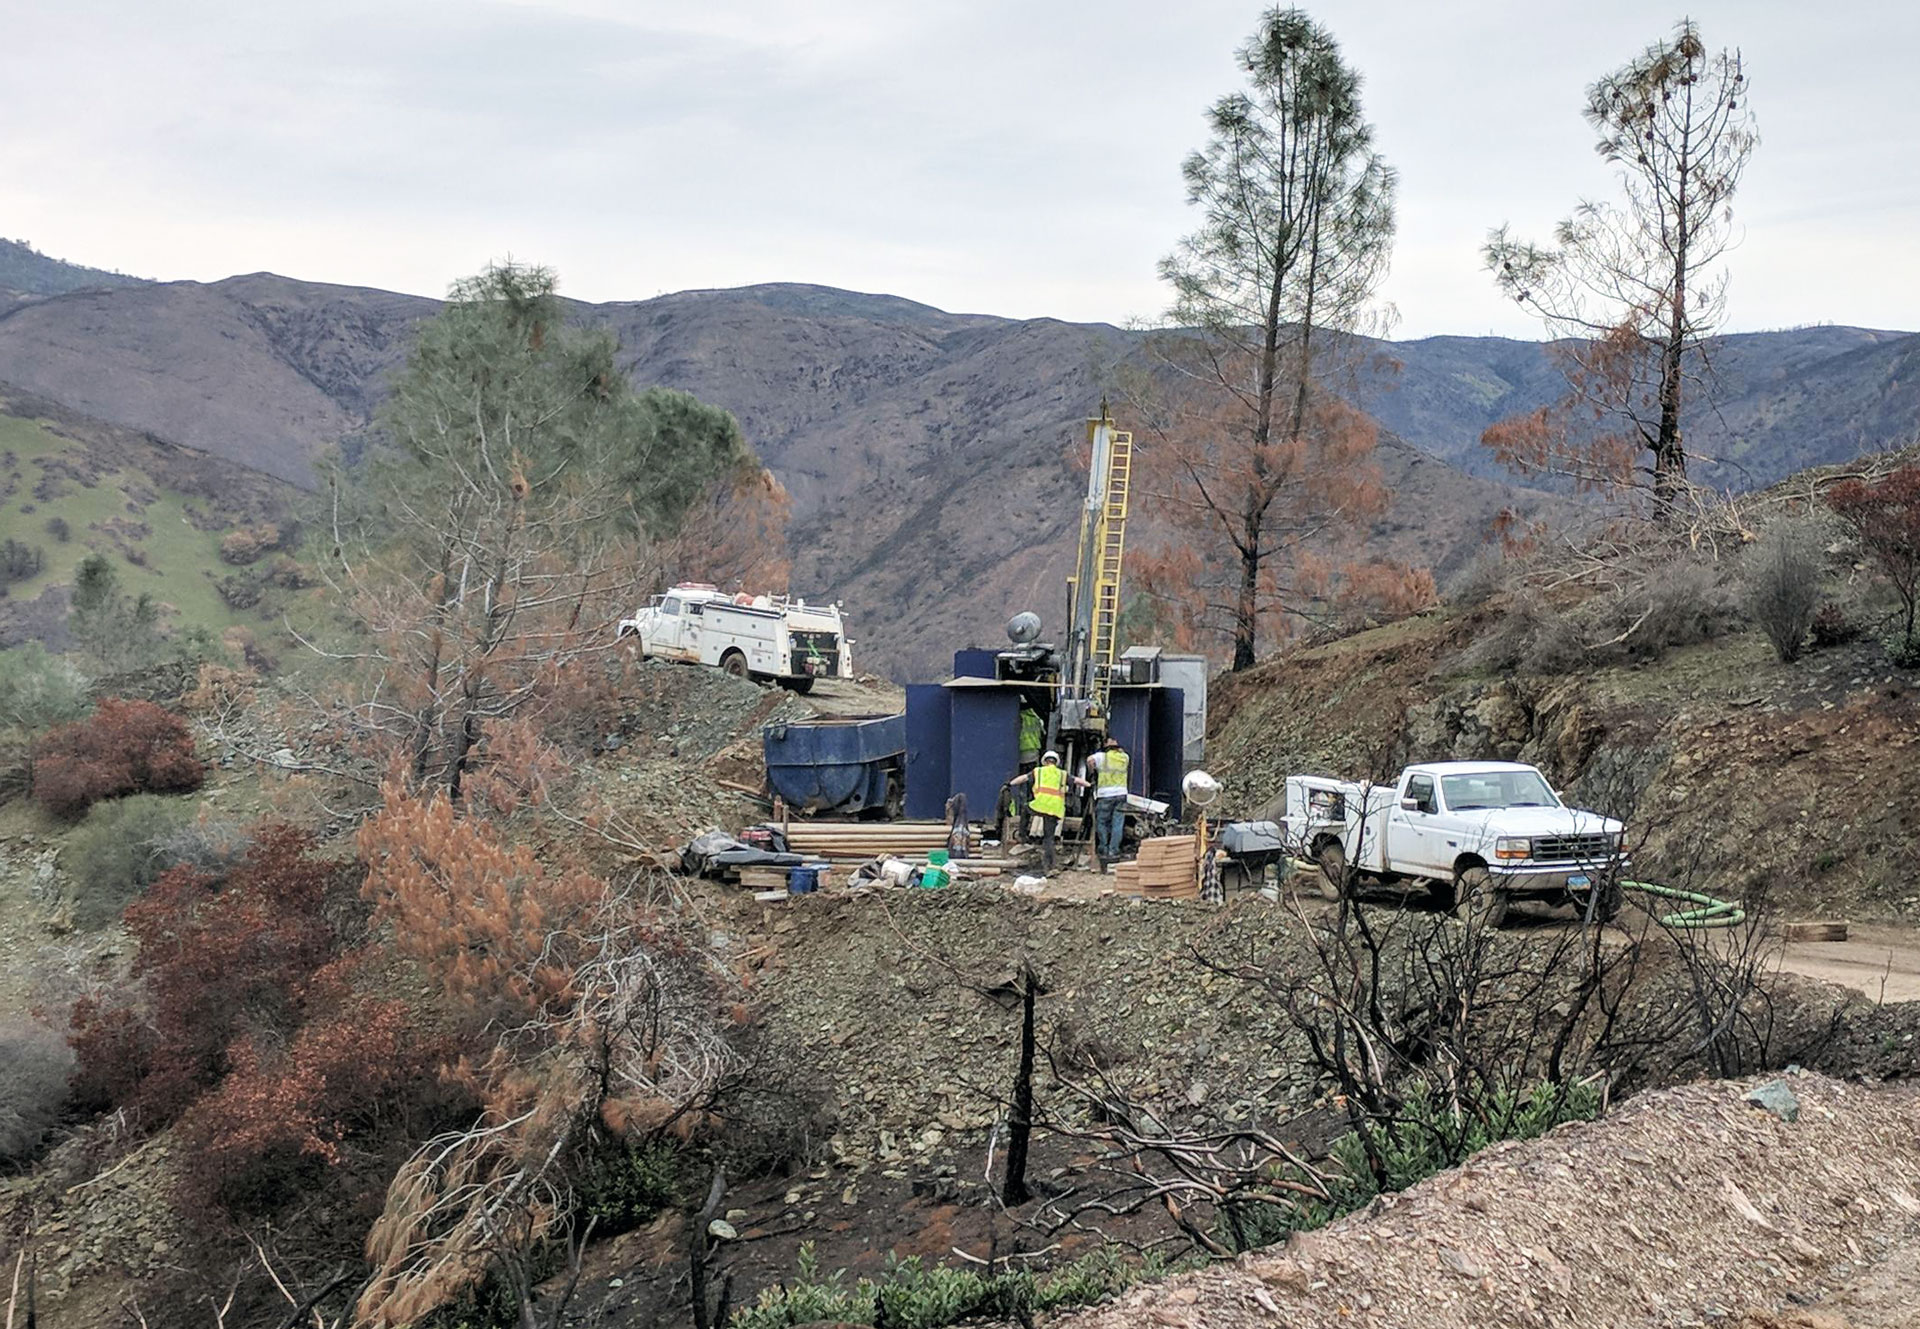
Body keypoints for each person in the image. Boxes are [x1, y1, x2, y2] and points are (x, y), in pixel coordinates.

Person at [1006, 751, 1085, 874]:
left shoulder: (1038, 771)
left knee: (1025, 809)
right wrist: (1090, 785)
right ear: (1056, 762)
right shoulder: (1062, 774)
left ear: (1045, 761)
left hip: (1040, 805)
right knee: (1049, 839)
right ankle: (1050, 867)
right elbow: (1077, 781)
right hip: (1055, 809)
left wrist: (1009, 784)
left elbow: (1023, 778)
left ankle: (1022, 836)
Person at [1085, 736, 1130, 871]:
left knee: (1102, 822)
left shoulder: (1101, 756)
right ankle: (1114, 851)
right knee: (1118, 823)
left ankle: (1103, 849)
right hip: (1121, 794)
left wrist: (1092, 770)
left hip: (1105, 794)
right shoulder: (1125, 757)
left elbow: (1089, 760)